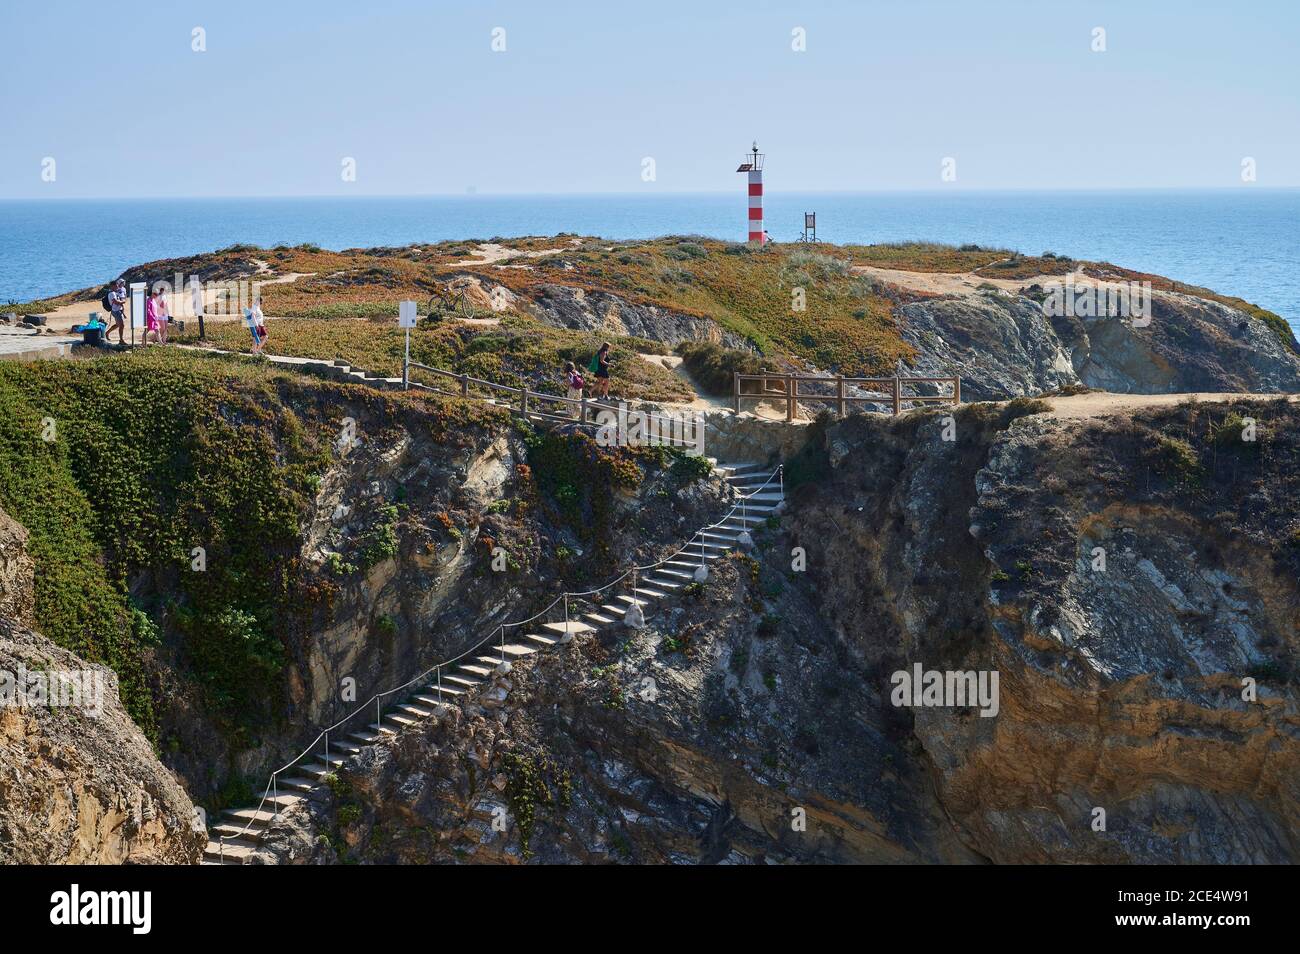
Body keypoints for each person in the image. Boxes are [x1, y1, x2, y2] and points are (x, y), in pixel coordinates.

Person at [105, 279, 127, 347]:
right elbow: (115, 302)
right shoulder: (111, 293)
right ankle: (121, 340)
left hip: (118, 311)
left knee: (118, 324)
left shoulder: (115, 292)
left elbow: (120, 298)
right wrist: (123, 302)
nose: (117, 287)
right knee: (122, 325)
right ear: (112, 286)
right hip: (116, 311)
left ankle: (107, 333)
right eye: (116, 286)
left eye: (117, 285)